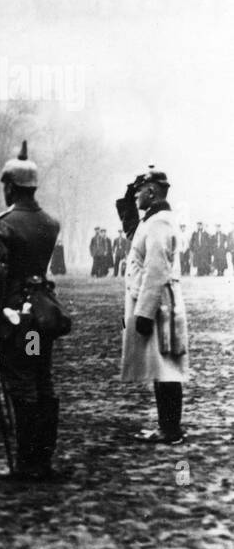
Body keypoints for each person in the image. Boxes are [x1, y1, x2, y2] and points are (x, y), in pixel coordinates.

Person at [0, 143, 62, 482]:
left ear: (11, 187)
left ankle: (26, 462)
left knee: (22, 384)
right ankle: (42, 458)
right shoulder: (49, 224)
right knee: (41, 378)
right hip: (40, 318)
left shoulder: (3, 226)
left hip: (15, 319)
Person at [121, 168, 188, 444]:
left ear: (152, 191)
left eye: (139, 190)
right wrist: (126, 203)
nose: (135, 195)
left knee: (166, 368)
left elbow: (156, 269)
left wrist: (145, 313)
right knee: (162, 368)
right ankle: (168, 427)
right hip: (160, 302)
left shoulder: (159, 223)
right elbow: (133, 233)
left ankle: (170, 430)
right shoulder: (157, 219)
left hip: (159, 305)